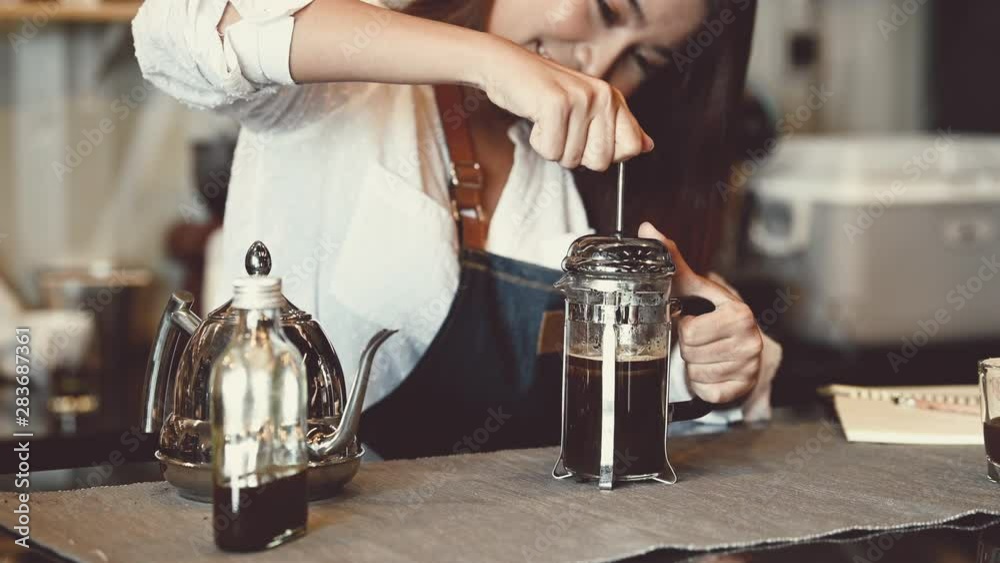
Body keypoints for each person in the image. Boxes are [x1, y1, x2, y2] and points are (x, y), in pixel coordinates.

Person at [133, 0, 780, 459]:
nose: (600, 64)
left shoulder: (571, 194)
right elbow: (182, 29)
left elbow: (621, 436)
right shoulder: (342, 88)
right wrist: (490, 59)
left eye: (645, 56)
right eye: (608, 10)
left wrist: (703, 368)